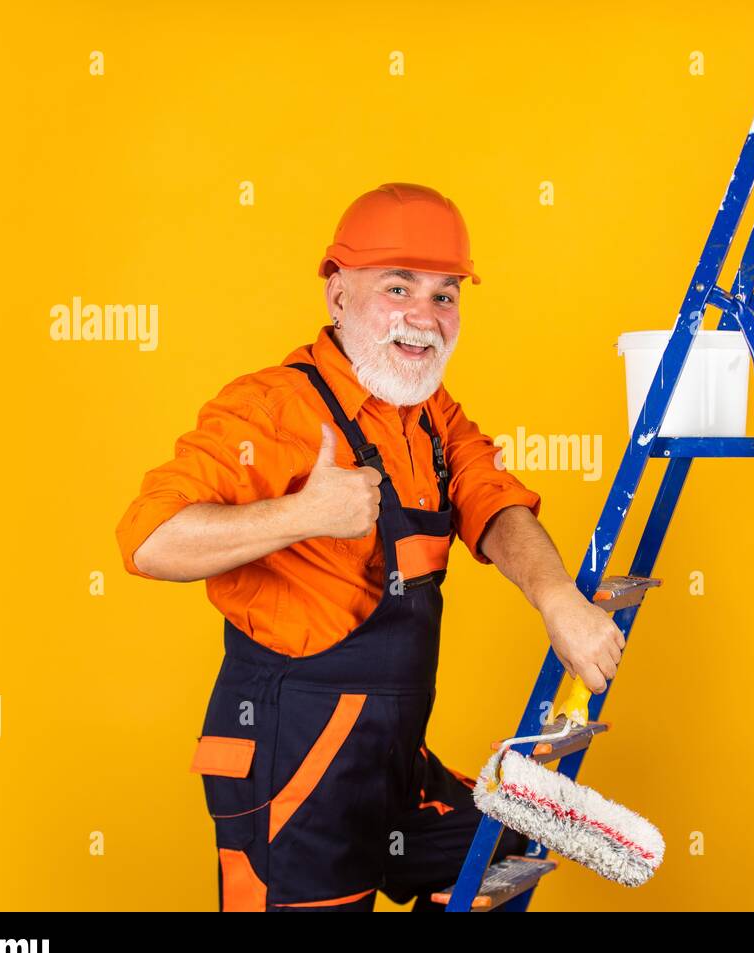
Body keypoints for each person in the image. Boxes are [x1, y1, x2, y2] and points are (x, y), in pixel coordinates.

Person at [114, 182, 624, 911]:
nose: (424, 317)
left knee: (505, 844)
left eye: (445, 296)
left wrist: (556, 597)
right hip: (289, 773)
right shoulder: (271, 408)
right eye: (397, 287)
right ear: (337, 297)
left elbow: (494, 501)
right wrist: (300, 514)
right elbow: (149, 540)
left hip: (390, 764)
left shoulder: (429, 414)